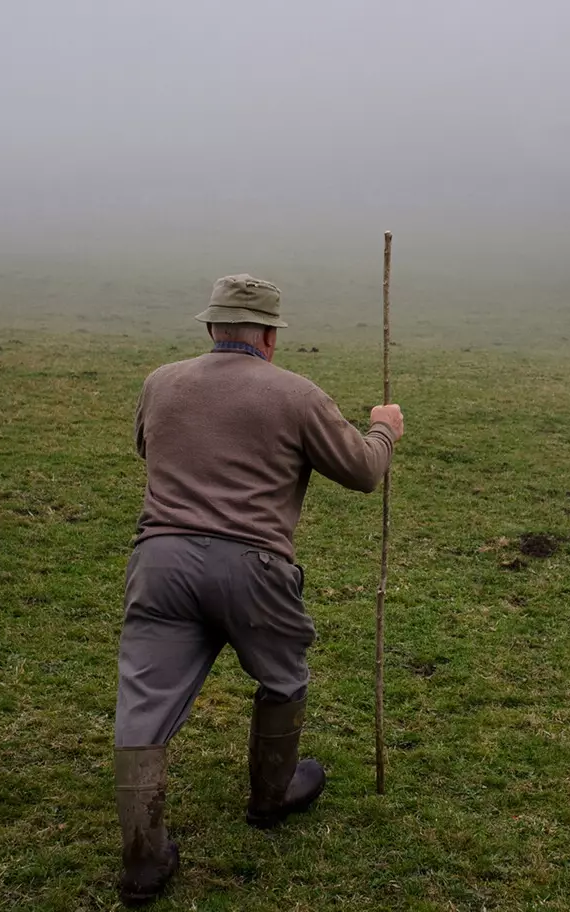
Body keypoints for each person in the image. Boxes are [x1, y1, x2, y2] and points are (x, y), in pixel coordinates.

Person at [111, 274, 404, 906]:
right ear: (270, 336)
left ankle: (143, 860)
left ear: (211, 327)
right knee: (283, 678)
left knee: (142, 707)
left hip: (160, 562)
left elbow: (147, 447)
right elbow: (361, 472)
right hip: (255, 567)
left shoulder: (160, 382)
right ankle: (272, 797)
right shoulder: (297, 395)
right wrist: (383, 429)